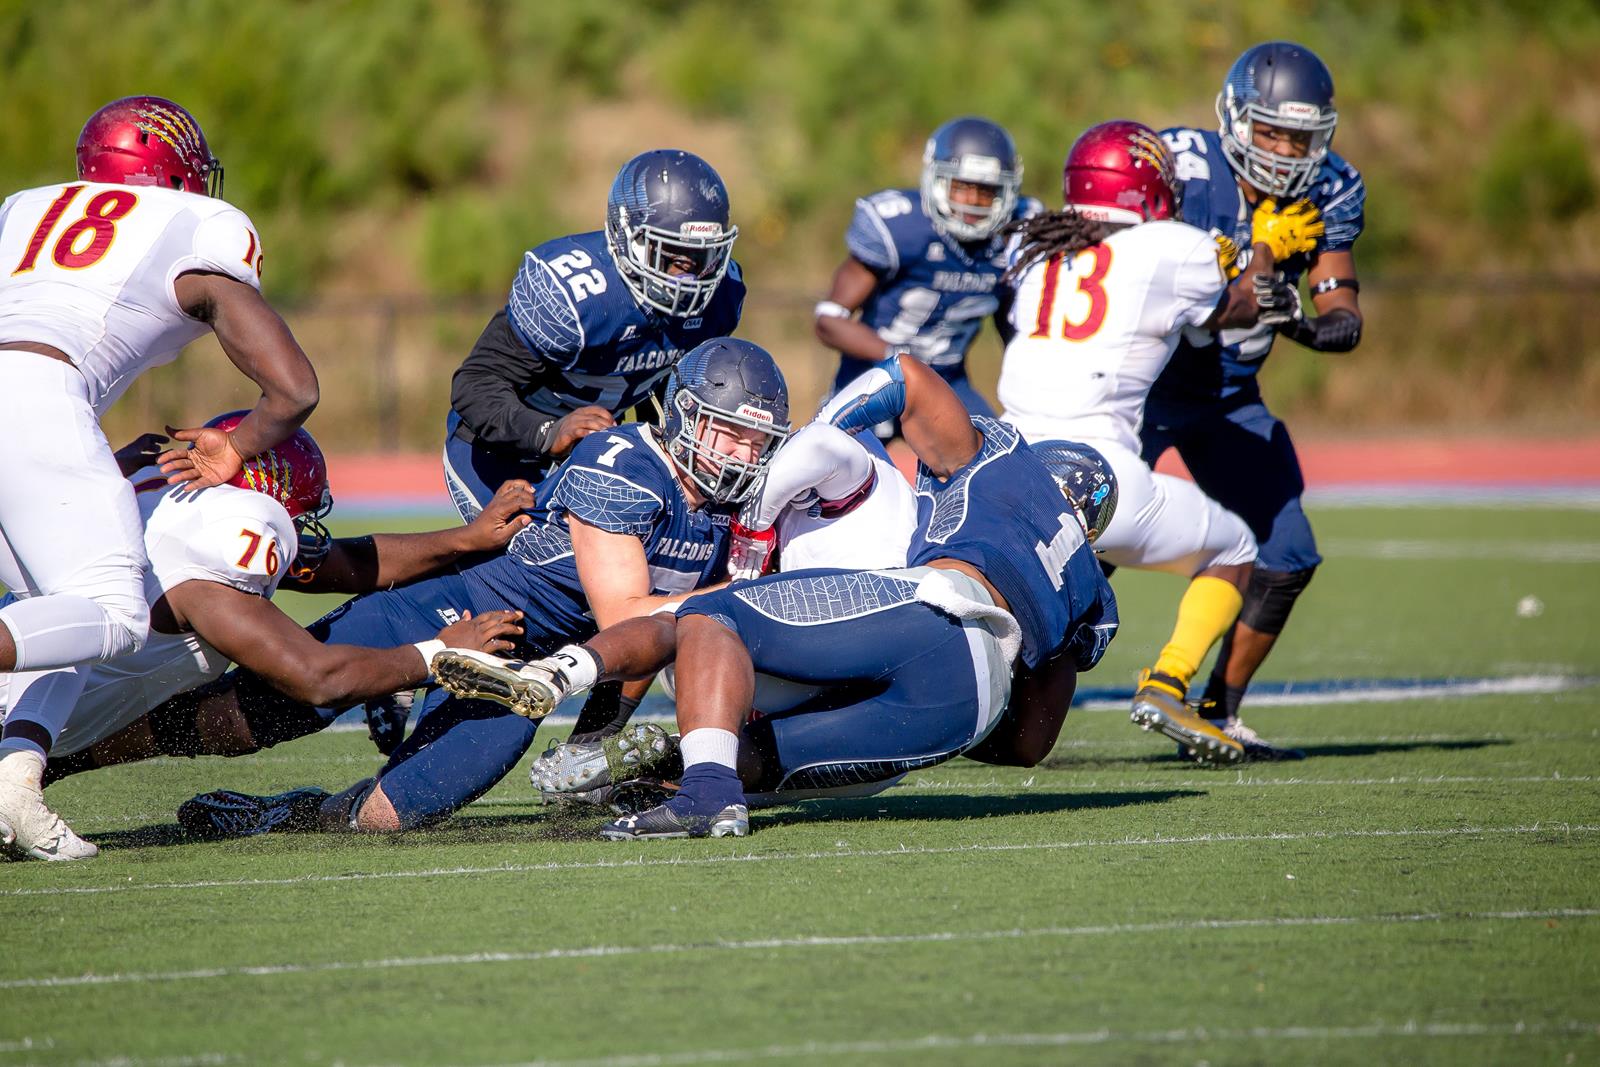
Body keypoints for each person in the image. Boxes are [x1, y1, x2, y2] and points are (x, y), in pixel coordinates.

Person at [435, 351, 1120, 839]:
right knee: (760, 751)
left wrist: (755, 538)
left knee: (713, 614)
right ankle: (666, 780)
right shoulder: (1088, 584)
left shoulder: (1004, 461)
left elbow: (902, 376)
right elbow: (1031, 743)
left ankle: (560, 674)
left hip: (939, 611)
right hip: (969, 704)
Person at [174, 338, 790, 838]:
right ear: (684, 416)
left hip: (516, 674)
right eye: (727, 432)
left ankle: (288, 810)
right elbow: (623, 612)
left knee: (388, 817)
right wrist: (736, 597)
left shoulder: (721, 513)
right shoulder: (625, 464)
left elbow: (650, 638)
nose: (743, 452)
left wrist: (597, 741)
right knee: (239, 717)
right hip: (448, 607)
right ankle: (79, 746)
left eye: (757, 440)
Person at [0, 96, 321, 860]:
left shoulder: (21, 210)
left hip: (32, 396)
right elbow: (295, 389)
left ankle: (16, 785)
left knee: (62, 604)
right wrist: (237, 445)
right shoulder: (197, 225)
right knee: (115, 611)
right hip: (35, 394)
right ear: (174, 171)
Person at [20, 419, 534, 831]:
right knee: (276, 690)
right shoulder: (214, 563)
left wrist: (465, 539)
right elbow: (317, 678)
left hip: (38, 712)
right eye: (299, 512)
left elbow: (341, 562)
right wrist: (434, 653)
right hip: (22, 721)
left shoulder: (163, 500)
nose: (302, 528)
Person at [997, 119, 1290, 764]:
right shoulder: (1169, 246)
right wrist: (1263, 249)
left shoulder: (1038, 250)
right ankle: (1168, 683)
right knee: (1236, 545)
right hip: (1097, 476)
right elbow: (1239, 308)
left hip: (1005, 472)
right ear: (1147, 191)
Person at [1144, 42, 1365, 747]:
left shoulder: (1329, 189)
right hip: (1139, 387)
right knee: (1082, 542)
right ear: (1236, 119)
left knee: (1289, 551)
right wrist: (1239, 259)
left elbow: (1343, 321)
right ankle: (1005, 696)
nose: (1284, 149)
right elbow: (1123, 267)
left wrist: (1291, 314)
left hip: (1227, 397)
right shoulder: (1179, 166)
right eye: (1270, 130)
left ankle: (1217, 709)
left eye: (1299, 136)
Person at [443, 149, 744, 521]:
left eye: (703, 258)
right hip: (503, 450)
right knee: (534, 565)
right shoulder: (578, 295)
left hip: (594, 452)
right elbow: (475, 383)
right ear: (627, 236)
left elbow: (673, 385)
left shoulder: (720, 297)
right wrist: (549, 433)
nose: (692, 278)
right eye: (674, 257)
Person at [815, 117, 1038, 437]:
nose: (973, 203)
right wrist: (897, 357)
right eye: (961, 187)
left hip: (948, 379)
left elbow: (1011, 321)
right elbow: (829, 319)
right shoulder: (903, 227)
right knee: (839, 466)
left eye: (986, 192)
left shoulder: (1011, 238)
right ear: (936, 180)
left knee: (999, 455)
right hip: (876, 374)